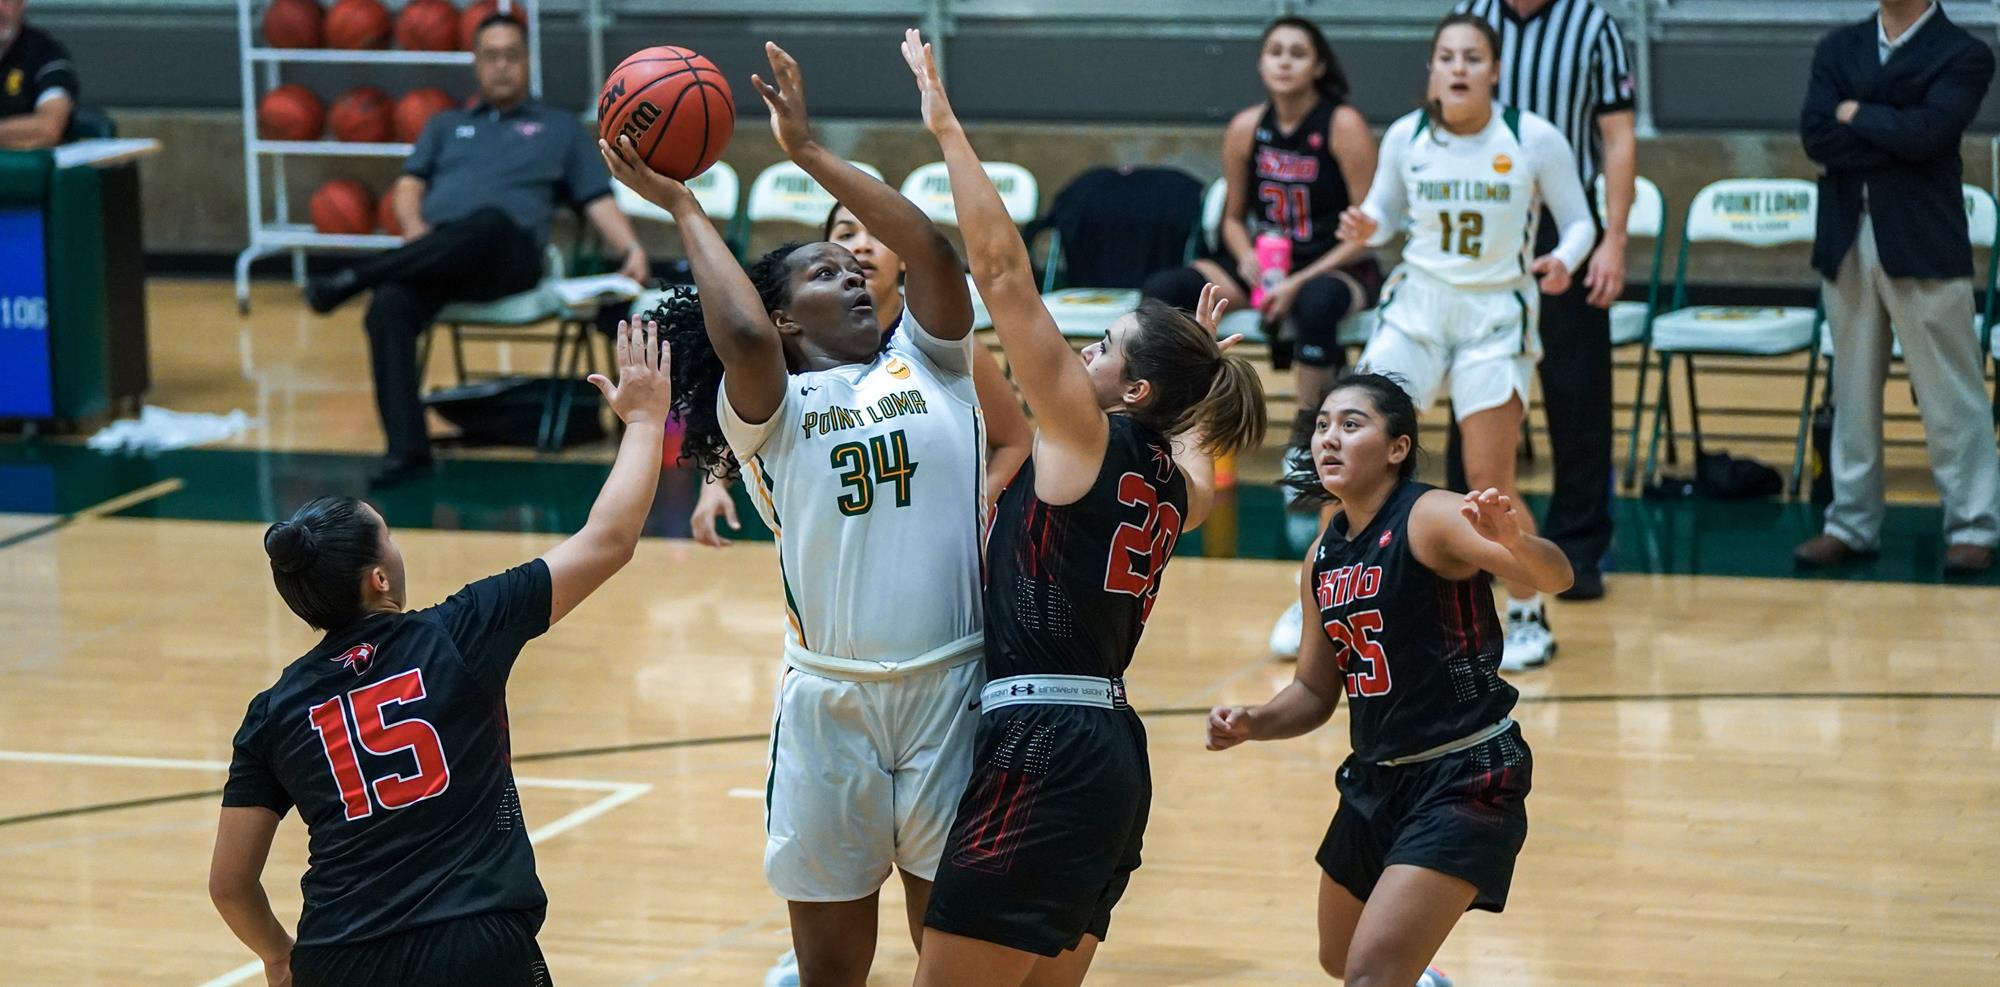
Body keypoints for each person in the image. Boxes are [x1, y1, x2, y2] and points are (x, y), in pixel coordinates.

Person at [605, 41, 1000, 987]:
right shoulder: (770, 411)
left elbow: (934, 253)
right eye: (825, 273)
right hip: (830, 704)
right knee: (831, 971)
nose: (855, 275)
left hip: (953, 688)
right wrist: (684, 203)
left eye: (854, 268)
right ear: (785, 320)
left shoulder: (933, 365)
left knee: (946, 952)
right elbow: (735, 328)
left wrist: (810, 153)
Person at [899, 30, 1268, 987]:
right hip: (1110, 754)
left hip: (1042, 746)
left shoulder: (1084, 437)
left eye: (1102, 348)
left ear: (1133, 392)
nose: (1084, 358)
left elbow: (1004, 273)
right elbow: (1195, 424)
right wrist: (1192, 353)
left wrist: (945, 126)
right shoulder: (1180, 485)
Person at [207, 319, 672, 987]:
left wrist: (279, 954)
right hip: (474, 942)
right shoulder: (458, 630)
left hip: (339, 957)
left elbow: (229, 883)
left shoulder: (273, 712)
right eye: (388, 536)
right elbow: (609, 539)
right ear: (379, 578)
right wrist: (647, 421)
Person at [1206, 373, 1571, 987]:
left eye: (1351, 424)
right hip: (1377, 775)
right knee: (1340, 958)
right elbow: (1315, 693)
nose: (1329, 438)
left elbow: (1556, 575)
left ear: (1398, 447)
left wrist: (1514, 540)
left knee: (1371, 974)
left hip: (1466, 770)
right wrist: (1254, 721)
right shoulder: (1323, 554)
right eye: (1322, 425)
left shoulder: (1430, 516)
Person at [1341, 13, 1593, 671]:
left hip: (1494, 317)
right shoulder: (1406, 136)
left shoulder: (1532, 138)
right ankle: (1320, 599)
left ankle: (1528, 610)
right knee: (1353, 456)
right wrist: (1367, 225)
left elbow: (1580, 223)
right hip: (1417, 310)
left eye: (1472, 57)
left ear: (1495, 70)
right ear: (1431, 69)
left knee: (1489, 481)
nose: (1458, 68)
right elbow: (1384, 215)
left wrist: (1564, 259)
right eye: (1446, 57)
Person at [303, 13, 652, 487]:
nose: (502, 67)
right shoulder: (445, 125)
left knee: (488, 222)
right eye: (491, 56)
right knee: (388, 305)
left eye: (512, 56)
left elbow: (596, 199)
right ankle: (408, 450)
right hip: (441, 259)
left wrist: (630, 248)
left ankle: (355, 276)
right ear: (475, 62)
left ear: (527, 62)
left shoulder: (560, 128)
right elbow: (408, 189)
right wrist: (416, 232)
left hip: (509, 259)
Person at [1135, 16, 1382, 659]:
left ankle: (1305, 437)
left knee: (1321, 307)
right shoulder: (1247, 126)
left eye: (1297, 53)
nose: (1284, 61)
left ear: (1318, 66)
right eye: (1275, 51)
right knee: (1167, 283)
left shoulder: (1343, 125)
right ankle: (1174, 413)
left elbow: (1366, 227)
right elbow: (1234, 217)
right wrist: (1247, 261)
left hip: (1332, 265)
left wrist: (1299, 281)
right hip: (1265, 264)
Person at [692, 202, 1032, 548]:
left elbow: (1017, 441)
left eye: (878, 234)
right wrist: (714, 486)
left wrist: (973, 512)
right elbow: (754, 419)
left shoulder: (943, 346)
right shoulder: (797, 348)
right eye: (845, 235)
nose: (862, 244)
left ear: (903, 258)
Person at [1795, 0, 2000, 574]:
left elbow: (1931, 136)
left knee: (1951, 394)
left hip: (1923, 241)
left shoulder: (1964, 53)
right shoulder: (1837, 47)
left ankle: (1974, 524)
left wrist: (1856, 112)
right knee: (1852, 389)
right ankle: (1851, 522)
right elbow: (1817, 136)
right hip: (1845, 239)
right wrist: (1894, 125)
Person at [1449, 0, 1638, 604]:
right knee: (1475, 381)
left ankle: (1579, 551)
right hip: (1484, 217)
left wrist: (1612, 239)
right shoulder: (1470, 14)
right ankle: (1470, 544)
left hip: (1565, 223)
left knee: (1576, 391)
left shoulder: (1595, 26)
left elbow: (1617, 138)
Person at [0, 0, 77, 148]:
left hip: (23, 167)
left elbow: (49, 127)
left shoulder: (45, 54)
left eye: (7, 1)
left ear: (21, 5)